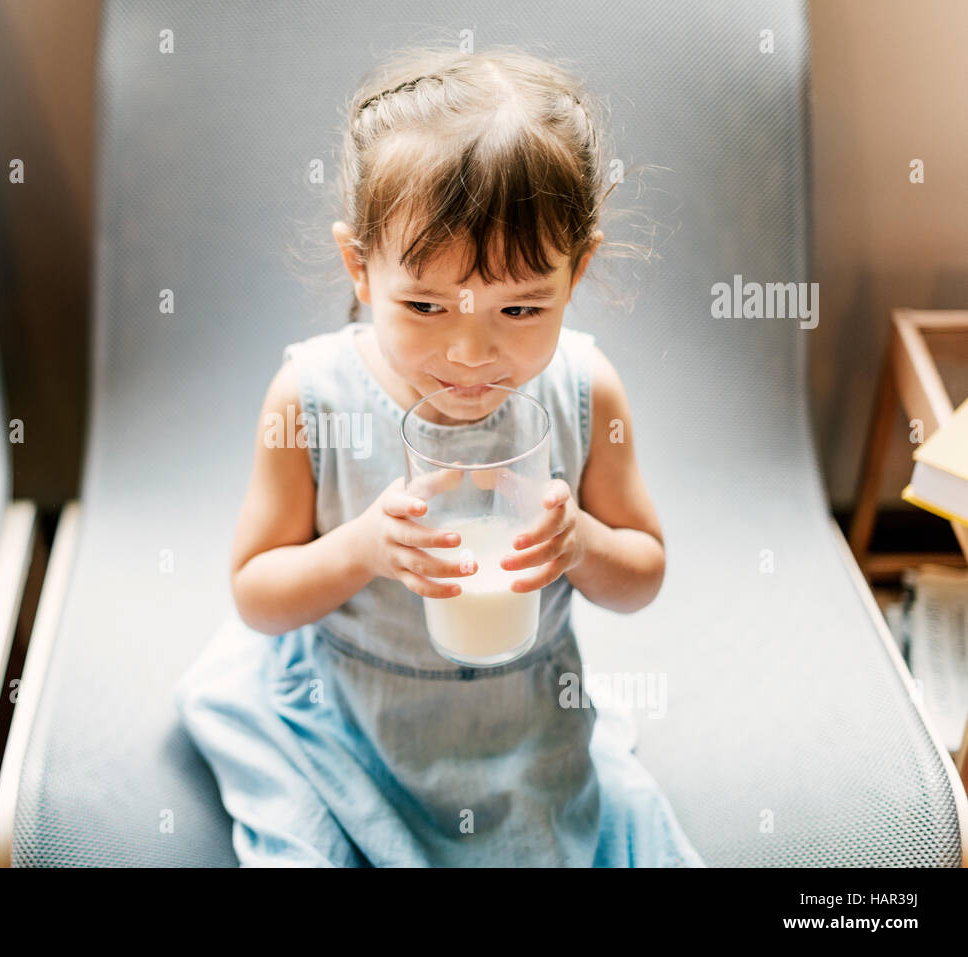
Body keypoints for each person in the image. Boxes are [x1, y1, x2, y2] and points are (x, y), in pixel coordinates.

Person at [174, 45, 704, 867]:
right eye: (424, 303)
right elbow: (256, 595)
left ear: (579, 270)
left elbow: (644, 569)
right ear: (360, 266)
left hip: (522, 731)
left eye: (522, 307)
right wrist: (361, 547)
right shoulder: (312, 400)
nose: (469, 353)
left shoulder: (584, 392)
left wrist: (585, 546)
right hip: (348, 729)